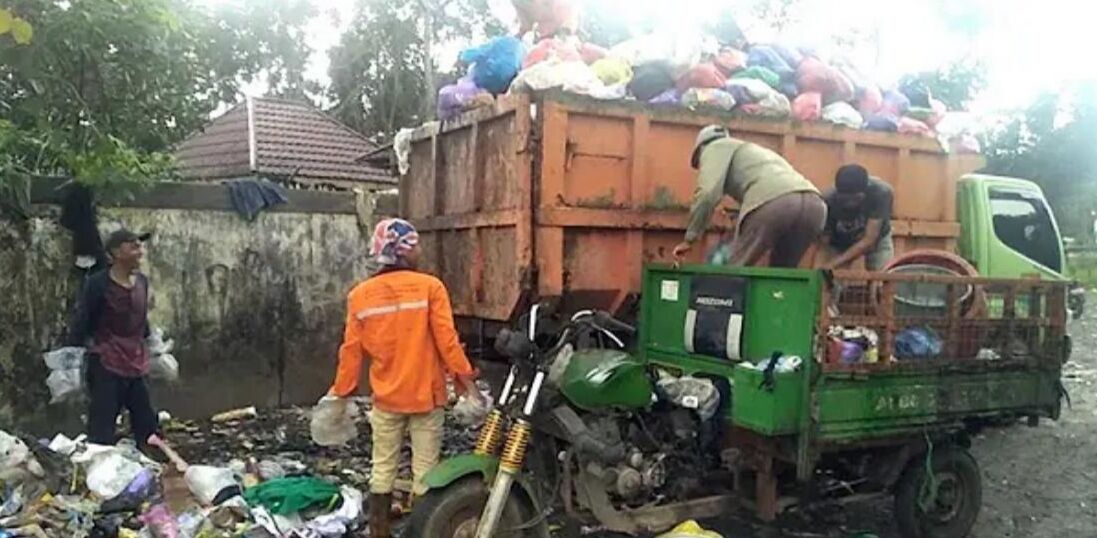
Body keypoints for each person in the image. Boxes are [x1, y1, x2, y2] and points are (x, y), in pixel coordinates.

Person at [326, 218, 483, 538]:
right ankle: (422, 530)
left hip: (386, 399)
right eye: (416, 245)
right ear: (404, 250)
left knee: (382, 467)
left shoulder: (360, 296)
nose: (420, 251)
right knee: (426, 471)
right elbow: (447, 342)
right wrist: (467, 383)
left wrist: (339, 395)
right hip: (426, 397)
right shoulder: (430, 288)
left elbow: (351, 353)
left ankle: (379, 532)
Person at [673, 125, 827, 267]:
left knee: (735, 269)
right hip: (815, 205)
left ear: (701, 148)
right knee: (782, 274)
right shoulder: (753, 151)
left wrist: (690, 239)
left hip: (775, 202)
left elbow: (707, 193)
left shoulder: (713, 148)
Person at [67, 229, 158, 448]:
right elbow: (83, 320)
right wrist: (69, 359)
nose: (140, 252)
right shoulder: (98, 284)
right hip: (106, 363)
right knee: (102, 426)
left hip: (136, 362)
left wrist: (153, 342)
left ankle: (151, 469)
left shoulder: (142, 283)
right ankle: (99, 471)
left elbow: (140, 318)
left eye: (140, 246)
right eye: (133, 246)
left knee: (147, 422)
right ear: (116, 252)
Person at [819, 164, 895, 271]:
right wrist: (824, 268)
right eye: (845, 200)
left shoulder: (881, 193)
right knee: (831, 280)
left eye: (855, 199)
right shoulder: (828, 199)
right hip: (840, 241)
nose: (850, 204)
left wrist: (833, 264)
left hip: (877, 240)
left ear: (864, 192)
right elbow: (824, 241)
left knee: (882, 277)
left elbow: (870, 239)